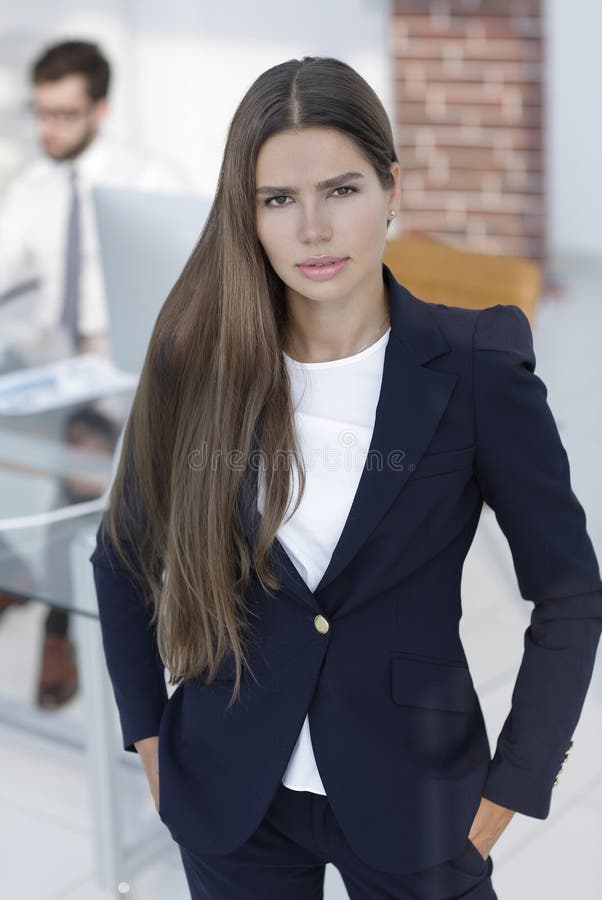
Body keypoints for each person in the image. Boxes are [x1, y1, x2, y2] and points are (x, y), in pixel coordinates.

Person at [90, 56, 602, 899]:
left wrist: (519, 777)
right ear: (247, 214)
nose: (314, 230)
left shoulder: (476, 364)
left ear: (392, 188)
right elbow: (123, 555)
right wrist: (149, 736)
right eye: (279, 200)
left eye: (342, 190)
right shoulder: (198, 358)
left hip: (416, 791)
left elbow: (570, 592)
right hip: (230, 790)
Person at [0, 39, 190, 709]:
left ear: (100, 109)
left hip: (129, 370)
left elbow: (195, 278)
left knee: (81, 453)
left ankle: (59, 624)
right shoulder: (33, 185)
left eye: (66, 115)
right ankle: (22, 570)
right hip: (55, 362)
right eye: (41, 114)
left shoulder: (148, 180)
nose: (50, 130)